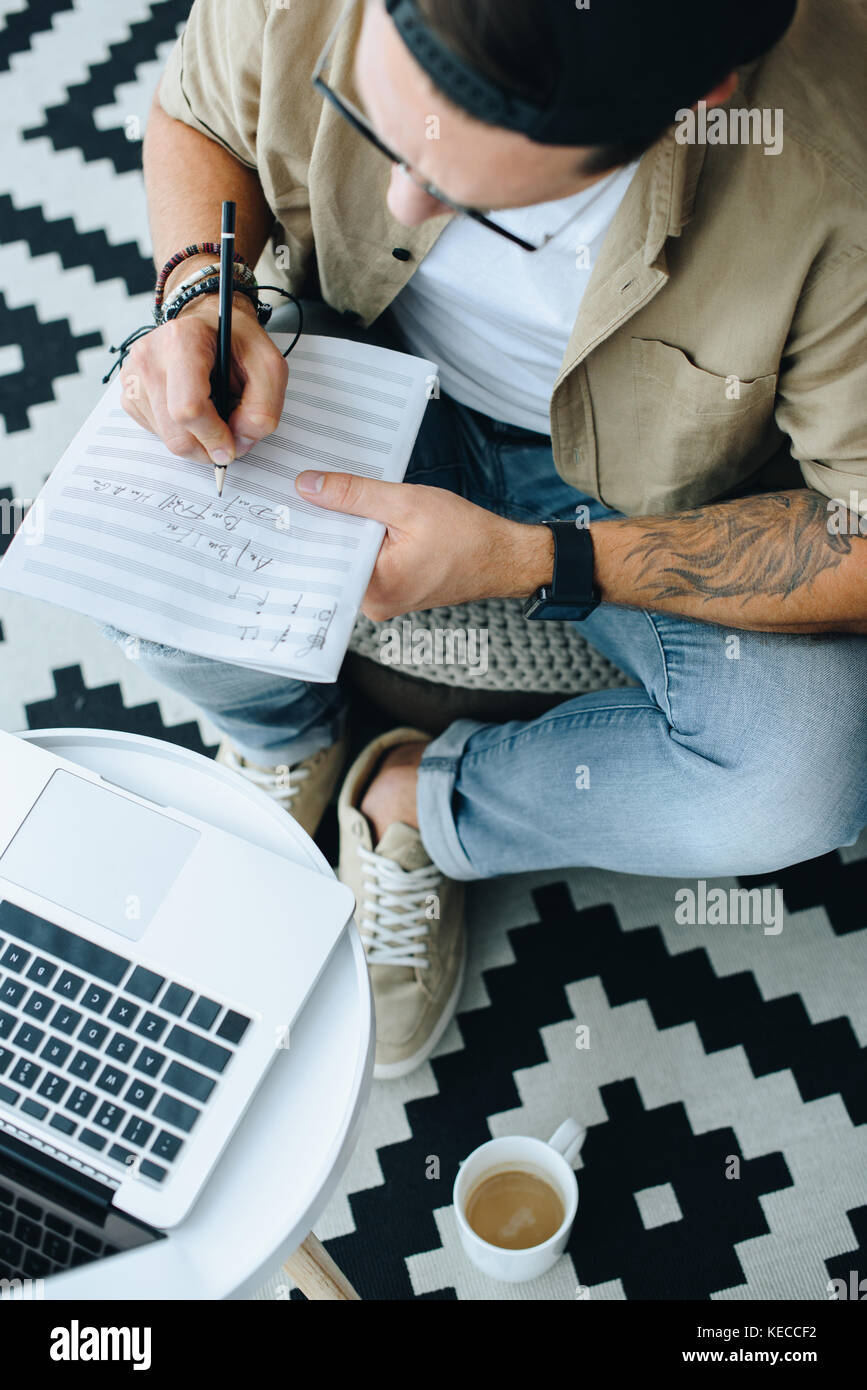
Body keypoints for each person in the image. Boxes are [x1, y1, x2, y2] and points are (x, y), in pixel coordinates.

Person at [110, 0, 867, 1078]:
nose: (399, 199)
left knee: (797, 782)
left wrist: (536, 559)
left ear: (698, 108)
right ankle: (290, 738)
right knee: (141, 520)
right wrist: (203, 292)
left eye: (486, 204)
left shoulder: (839, 168)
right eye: (369, 119)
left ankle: (418, 796)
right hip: (365, 368)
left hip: (672, 495)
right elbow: (195, 114)